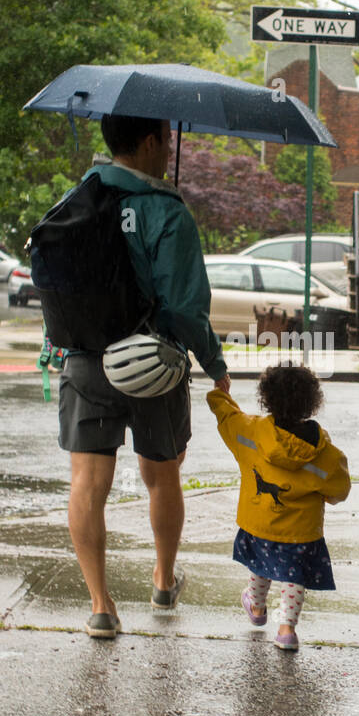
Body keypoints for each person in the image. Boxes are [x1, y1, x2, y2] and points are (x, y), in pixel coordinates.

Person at [59, 114, 230, 638]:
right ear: (154, 140)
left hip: (86, 359)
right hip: (153, 365)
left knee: (89, 482)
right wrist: (214, 365)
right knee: (162, 474)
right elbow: (185, 307)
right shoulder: (167, 211)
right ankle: (161, 579)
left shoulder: (77, 200)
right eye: (169, 138)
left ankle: (101, 606)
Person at [206, 363, 350, 651]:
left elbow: (227, 416)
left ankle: (257, 609)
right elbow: (339, 489)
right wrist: (325, 497)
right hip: (301, 533)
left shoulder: (249, 433)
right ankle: (286, 631)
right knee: (292, 575)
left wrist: (220, 394)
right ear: (313, 403)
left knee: (260, 565)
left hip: (259, 525)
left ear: (266, 399)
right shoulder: (326, 456)